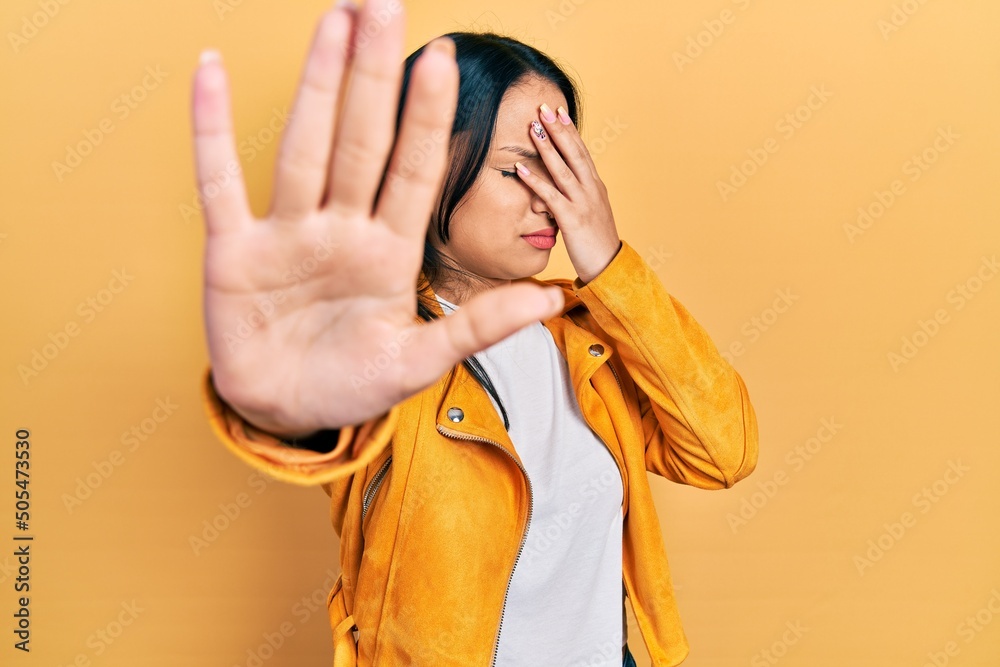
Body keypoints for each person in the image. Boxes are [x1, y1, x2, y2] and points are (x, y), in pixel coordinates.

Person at [193, 0, 759, 665]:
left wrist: (611, 266)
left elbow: (724, 451)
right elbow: (328, 424)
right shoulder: (384, 349)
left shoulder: (590, 340)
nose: (549, 197)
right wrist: (287, 405)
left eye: (564, 166)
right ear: (421, 171)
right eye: (520, 168)